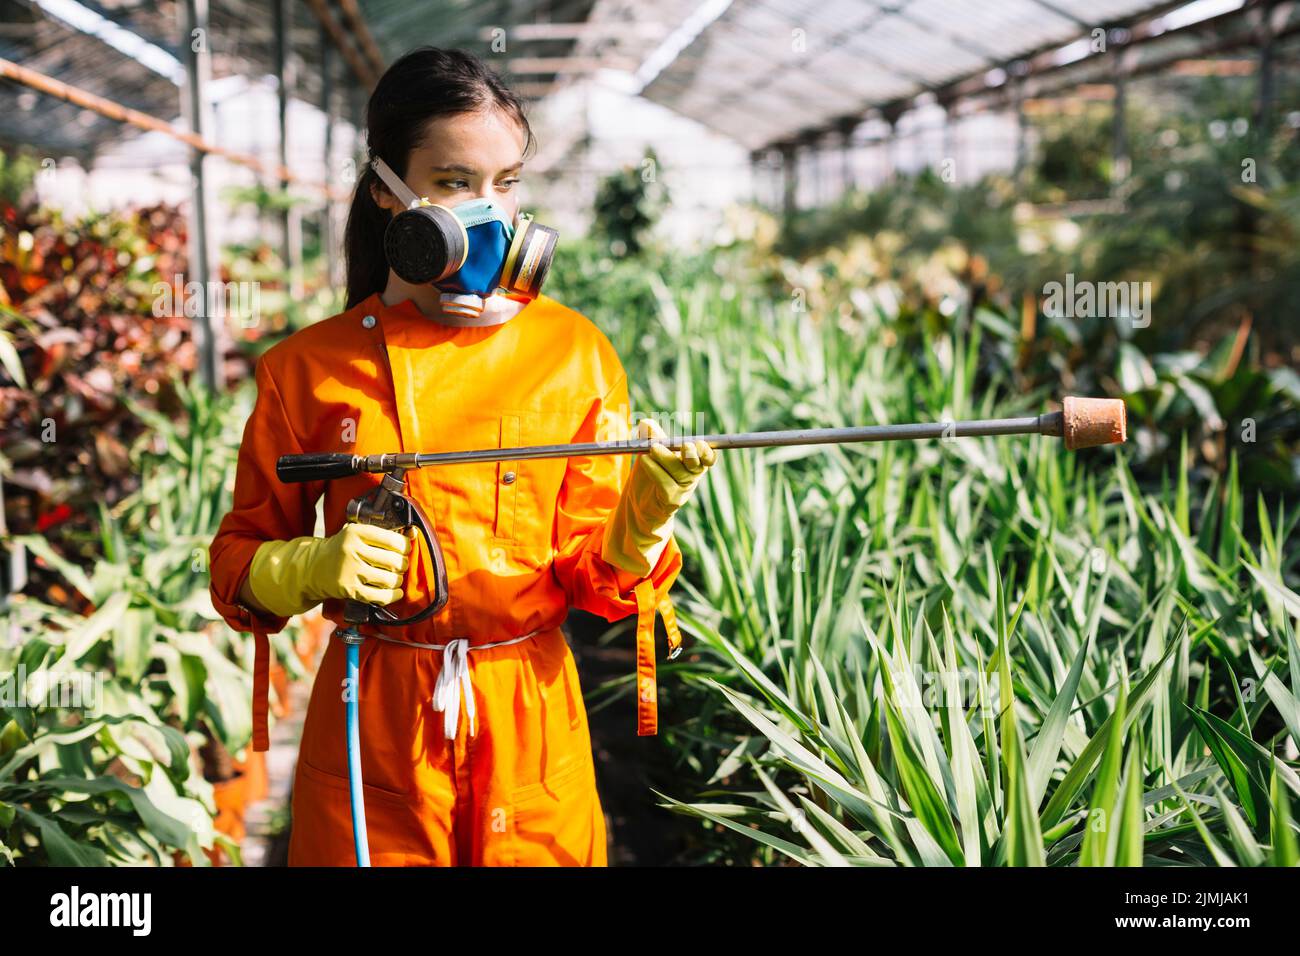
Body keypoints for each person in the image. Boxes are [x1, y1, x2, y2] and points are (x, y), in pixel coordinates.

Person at [207, 46, 716, 866]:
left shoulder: (571, 352)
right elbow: (235, 559)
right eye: (454, 183)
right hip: (376, 719)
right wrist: (304, 567)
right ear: (387, 191)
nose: (492, 212)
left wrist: (646, 517)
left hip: (529, 714)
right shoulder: (308, 367)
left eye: (506, 183)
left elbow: (600, 580)